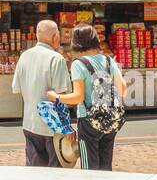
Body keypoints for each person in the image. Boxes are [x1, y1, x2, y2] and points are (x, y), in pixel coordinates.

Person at [51, 25, 127, 171]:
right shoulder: (109, 61)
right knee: (106, 166)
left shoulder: (78, 64)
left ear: (76, 42)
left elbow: (78, 97)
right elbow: (122, 90)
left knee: (89, 169)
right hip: (110, 119)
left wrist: (57, 97)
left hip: (88, 120)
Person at [11, 19, 70, 167]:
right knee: (55, 174)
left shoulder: (25, 56)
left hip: (30, 123)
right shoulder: (56, 58)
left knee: (34, 173)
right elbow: (62, 95)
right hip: (52, 126)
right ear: (54, 37)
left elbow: (16, 88)